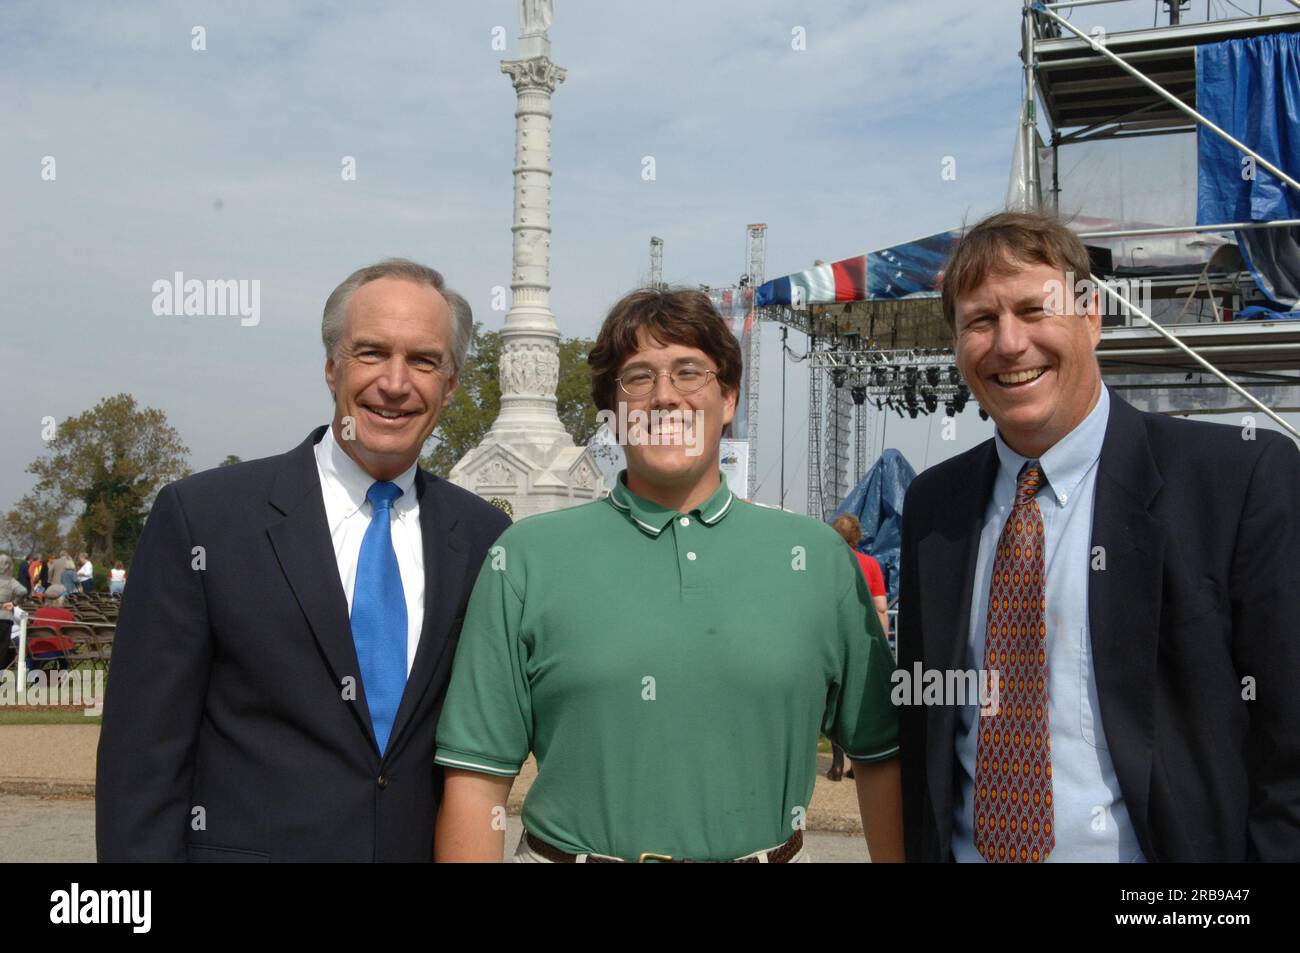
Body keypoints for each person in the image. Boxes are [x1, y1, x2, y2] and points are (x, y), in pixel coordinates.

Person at [434, 287, 902, 863]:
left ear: (728, 397)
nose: (664, 397)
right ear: (611, 409)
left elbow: (881, 758)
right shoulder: (525, 558)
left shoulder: (817, 558)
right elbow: (478, 777)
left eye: (689, 373)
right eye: (637, 378)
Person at [898, 210, 1300, 863]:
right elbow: (926, 737)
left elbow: (1290, 754)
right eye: (980, 320)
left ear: (1092, 317)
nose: (1008, 343)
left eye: (1034, 309)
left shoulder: (1237, 482)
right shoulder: (933, 508)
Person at [96, 258, 511, 861]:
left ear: (450, 386)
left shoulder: (484, 539)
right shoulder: (205, 519)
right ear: (330, 366)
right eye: (370, 353)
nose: (395, 384)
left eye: (424, 361)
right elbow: (143, 756)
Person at [828, 513, 890, 782]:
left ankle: (837, 764)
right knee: (859, 703)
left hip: (830, 640)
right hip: (863, 644)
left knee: (832, 702)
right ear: (857, 536)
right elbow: (881, 606)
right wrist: (883, 640)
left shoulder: (824, 564)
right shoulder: (870, 564)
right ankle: (857, 765)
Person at [0, 556, 28, 672]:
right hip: (5, 617)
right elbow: (23, 591)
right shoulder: (11, 581)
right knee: (1, 649)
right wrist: (14, 603)